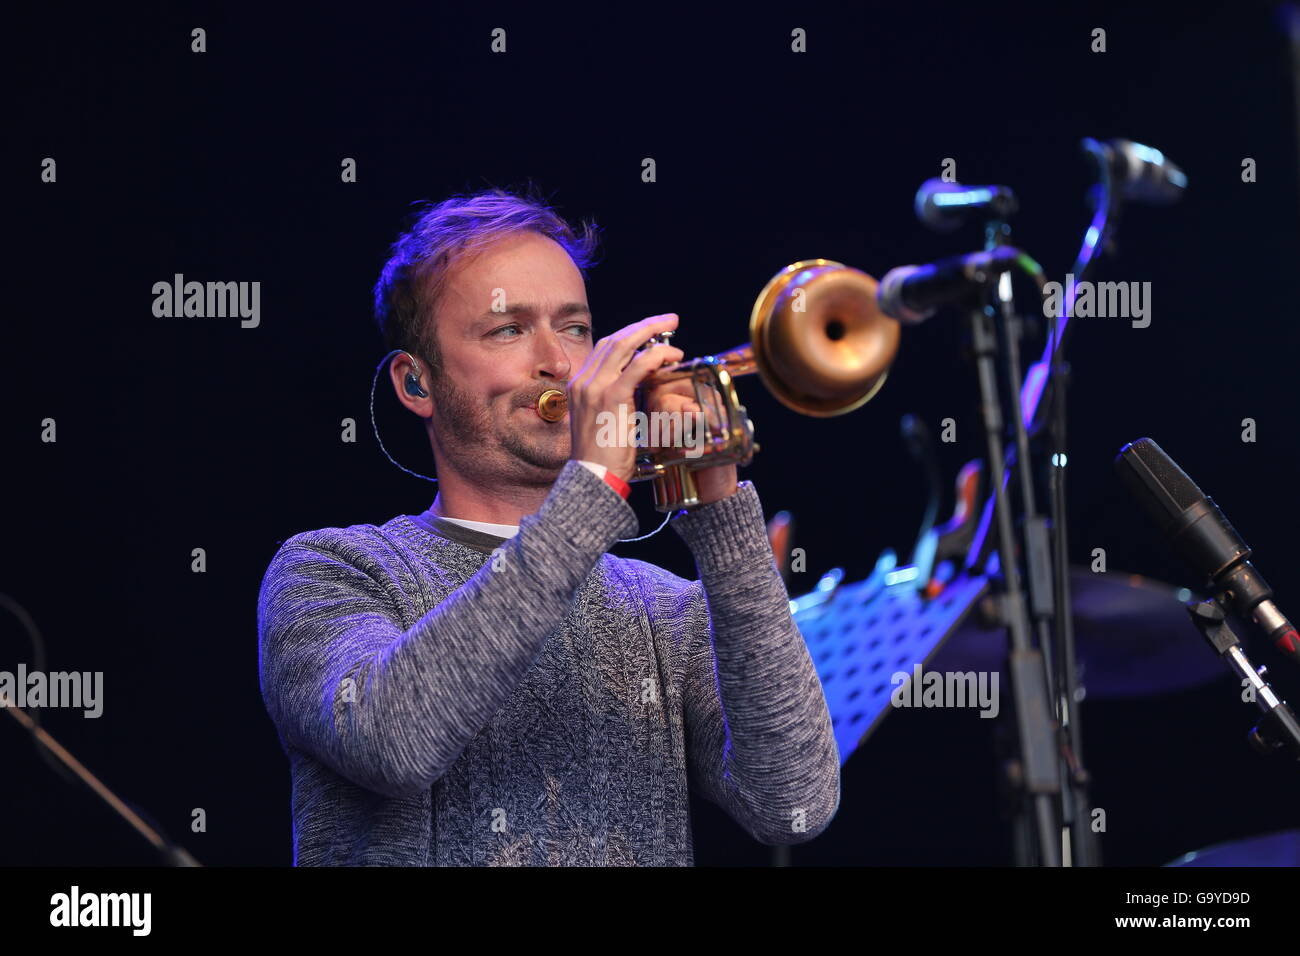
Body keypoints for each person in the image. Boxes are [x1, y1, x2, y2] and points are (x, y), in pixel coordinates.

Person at [256, 186, 840, 865]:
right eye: (508, 329)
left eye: (574, 328)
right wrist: (590, 493)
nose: (561, 363)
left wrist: (718, 505)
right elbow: (396, 742)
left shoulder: (665, 609)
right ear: (417, 384)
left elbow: (794, 803)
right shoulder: (330, 571)